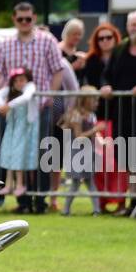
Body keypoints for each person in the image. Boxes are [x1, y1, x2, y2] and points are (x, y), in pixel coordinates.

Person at [0, 2, 66, 214]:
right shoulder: (4, 44)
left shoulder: (47, 41)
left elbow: (58, 70)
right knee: (14, 152)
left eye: (28, 19)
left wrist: (49, 94)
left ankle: (39, 200)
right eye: (20, 19)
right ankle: (22, 201)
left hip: (39, 107)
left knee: (40, 154)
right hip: (11, 110)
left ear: (34, 18)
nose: (24, 22)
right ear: (14, 19)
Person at [100, 10, 136, 213]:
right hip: (123, 113)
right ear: (127, 27)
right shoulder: (119, 50)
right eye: (134, 25)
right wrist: (106, 87)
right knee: (127, 157)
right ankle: (133, 197)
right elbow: (107, 76)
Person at [0, 67, 38, 211]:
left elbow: (25, 98)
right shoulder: (9, 90)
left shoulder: (30, 88)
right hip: (12, 126)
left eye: (22, 80)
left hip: (24, 127)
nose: (19, 83)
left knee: (19, 154)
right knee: (8, 152)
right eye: (17, 80)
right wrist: (2, 106)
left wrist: (8, 105)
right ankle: (8, 184)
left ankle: (19, 184)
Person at [57, 86, 101, 216]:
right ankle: (66, 210)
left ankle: (96, 210)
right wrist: (95, 130)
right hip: (76, 153)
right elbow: (79, 137)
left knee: (90, 181)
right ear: (86, 100)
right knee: (75, 183)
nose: (96, 103)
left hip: (88, 152)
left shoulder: (92, 116)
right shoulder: (76, 115)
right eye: (94, 100)